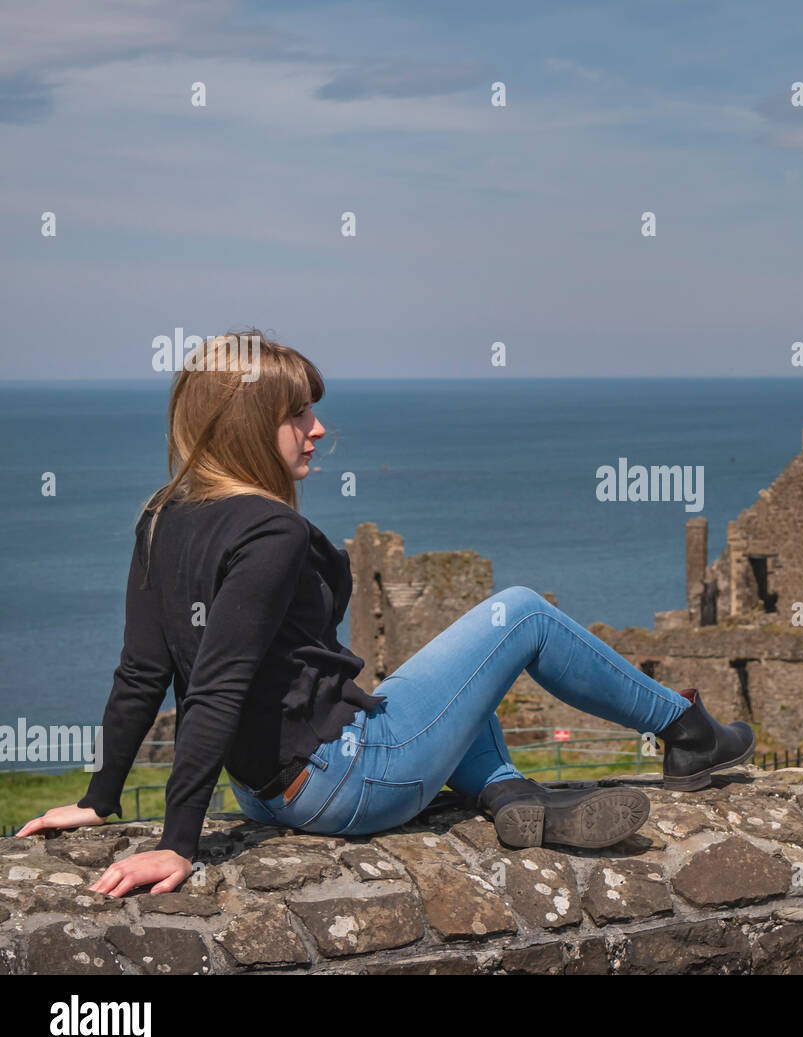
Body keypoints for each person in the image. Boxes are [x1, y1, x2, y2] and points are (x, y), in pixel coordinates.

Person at [17, 331, 754, 897]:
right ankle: (687, 731)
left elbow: (142, 671)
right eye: (297, 413)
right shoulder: (271, 531)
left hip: (267, 791)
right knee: (521, 615)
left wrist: (99, 797)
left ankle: (505, 792)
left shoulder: (160, 518)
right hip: (343, 781)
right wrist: (179, 841)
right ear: (246, 425)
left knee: (447, 681)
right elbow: (218, 682)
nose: (318, 427)